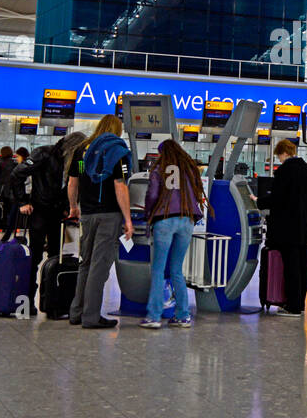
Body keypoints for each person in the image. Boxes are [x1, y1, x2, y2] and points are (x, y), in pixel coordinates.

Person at [67, 117, 131, 329]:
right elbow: (120, 185)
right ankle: (91, 316)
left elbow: (73, 181)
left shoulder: (82, 150)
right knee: (99, 266)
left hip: (87, 214)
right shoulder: (117, 151)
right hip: (109, 215)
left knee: (85, 263)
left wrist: (73, 207)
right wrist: (128, 219)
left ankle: (76, 312)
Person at [11, 136, 86, 306]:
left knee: (56, 258)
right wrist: (22, 202)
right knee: (35, 256)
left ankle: (51, 300)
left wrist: (70, 205)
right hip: (40, 210)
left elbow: (77, 182)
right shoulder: (43, 153)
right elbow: (17, 173)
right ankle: (27, 300)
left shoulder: (78, 161)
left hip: (58, 213)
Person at [140, 139, 205, 329]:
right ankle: (183, 316)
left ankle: (154, 316)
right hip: (187, 220)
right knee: (177, 270)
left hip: (165, 219)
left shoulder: (159, 168)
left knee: (159, 269)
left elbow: (152, 194)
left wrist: (148, 215)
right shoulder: (189, 168)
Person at [265, 139, 307, 318]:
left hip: (288, 229)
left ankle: (293, 307)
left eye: (278, 156)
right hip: (305, 228)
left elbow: (277, 198)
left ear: (283, 153)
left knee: (291, 267)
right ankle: (300, 303)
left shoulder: (285, 170)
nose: (279, 159)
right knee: (302, 266)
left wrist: (260, 201)